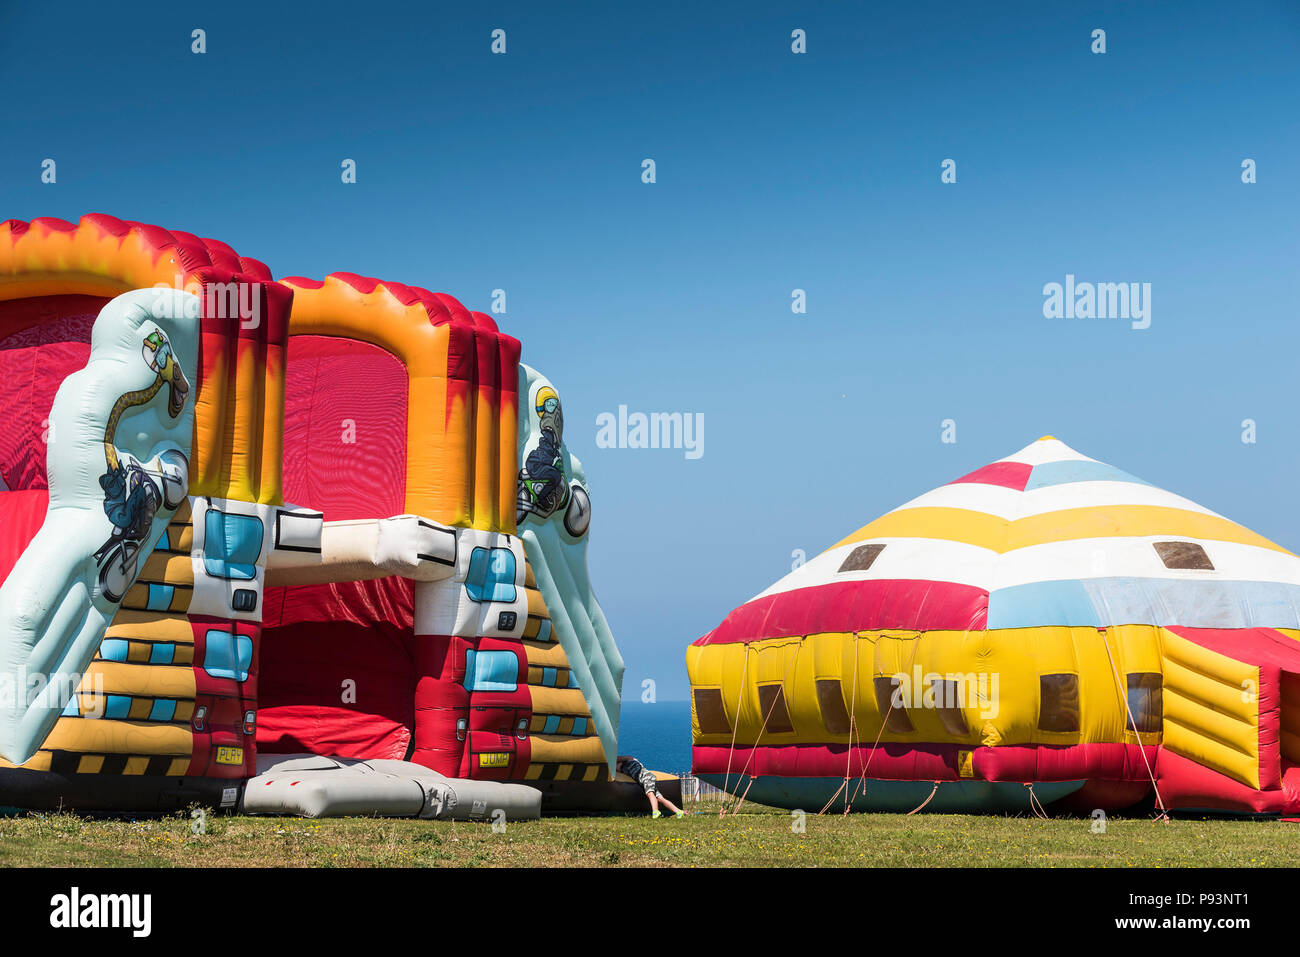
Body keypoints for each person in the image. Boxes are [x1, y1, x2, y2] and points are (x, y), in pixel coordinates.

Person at [617, 755, 684, 818]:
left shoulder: (630, 761)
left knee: (650, 793)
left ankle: (655, 811)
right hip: (643, 780)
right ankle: (678, 811)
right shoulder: (623, 769)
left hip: (646, 777)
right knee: (660, 798)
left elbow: (623, 758)